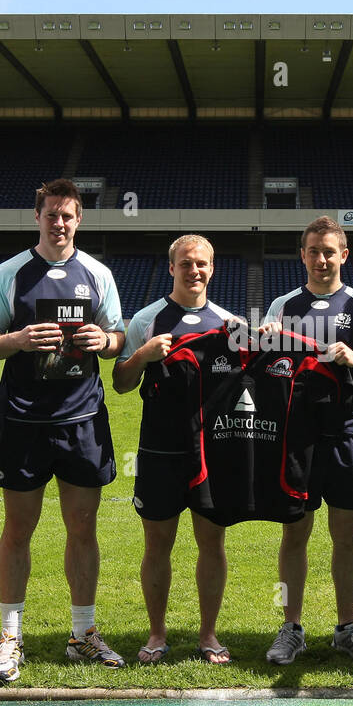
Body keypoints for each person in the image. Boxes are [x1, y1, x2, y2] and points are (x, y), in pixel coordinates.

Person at [0, 178, 128, 683]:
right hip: (23, 419)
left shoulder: (98, 273)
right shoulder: (10, 274)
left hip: (81, 419)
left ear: (79, 219)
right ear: (38, 217)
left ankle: (82, 634)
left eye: (68, 216)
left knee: (82, 528)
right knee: (18, 528)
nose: (60, 223)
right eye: (51, 215)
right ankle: (10, 636)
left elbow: (118, 337)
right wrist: (19, 339)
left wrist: (104, 339)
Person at [260, 217, 353, 665]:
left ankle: (347, 628)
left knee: (346, 534)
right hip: (295, 437)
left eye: (329, 251)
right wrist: (264, 343)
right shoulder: (282, 305)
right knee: (294, 531)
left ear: (344, 256)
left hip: (347, 433)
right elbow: (263, 364)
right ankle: (291, 627)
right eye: (313, 251)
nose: (321, 259)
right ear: (302, 256)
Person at [112, 235, 238, 664]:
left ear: (212, 268)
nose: (194, 271)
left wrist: (271, 336)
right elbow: (121, 382)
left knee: (212, 543)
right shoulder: (147, 320)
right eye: (186, 264)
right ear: (171, 268)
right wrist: (143, 356)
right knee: (157, 543)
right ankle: (156, 634)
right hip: (160, 450)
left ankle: (208, 635)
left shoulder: (229, 323)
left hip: (212, 451)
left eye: (202, 263)